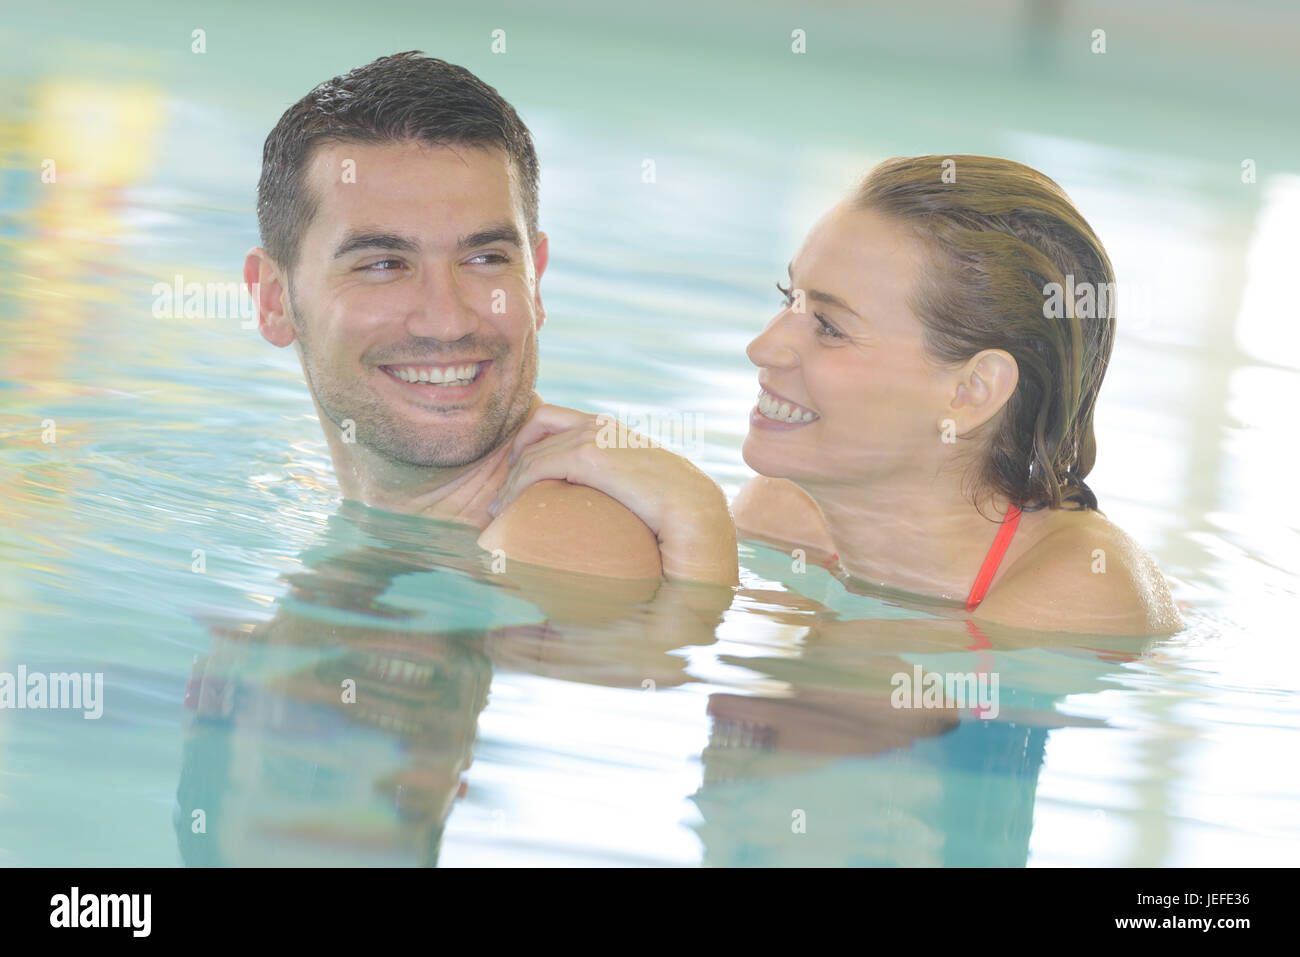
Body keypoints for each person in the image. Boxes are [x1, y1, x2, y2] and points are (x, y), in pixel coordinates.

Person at [496, 155, 1184, 635]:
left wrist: (696, 518)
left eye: (828, 325)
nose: (763, 346)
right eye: (786, 300)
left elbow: (870, 710)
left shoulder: (1078, 590)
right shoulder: (783, 512)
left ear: (971, 391)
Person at [242, 51, 737, 586]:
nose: (447, 321)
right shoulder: (320, 485)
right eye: (384, 265)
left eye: (485, 259)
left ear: (535, 279)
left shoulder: (552, 538)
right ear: (274, 299)